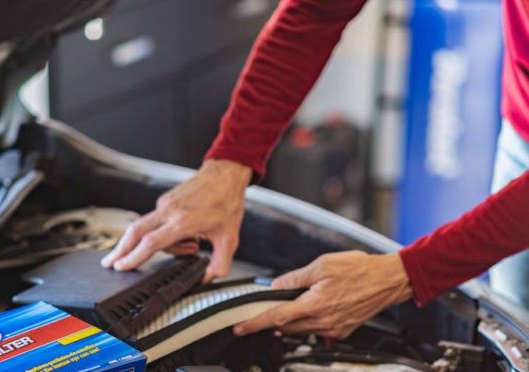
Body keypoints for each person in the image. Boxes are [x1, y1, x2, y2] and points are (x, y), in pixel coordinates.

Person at [101, 0, 529, 338]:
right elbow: (315, 11)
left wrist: (404, 275)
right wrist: (227, 167)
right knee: (519, 318)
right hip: (522, 124)